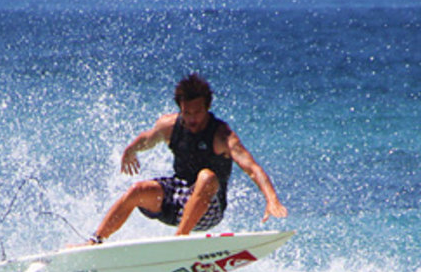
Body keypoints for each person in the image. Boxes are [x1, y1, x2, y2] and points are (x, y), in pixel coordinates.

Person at [89, 74, 287, 243]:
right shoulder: (169, 126)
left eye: (198, 112)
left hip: (208, 210)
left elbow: (252, 168)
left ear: (208, 107)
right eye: (187, 113)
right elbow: (147, 138)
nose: (192, 119)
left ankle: (179, 241)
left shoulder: (222, 136)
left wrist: (272, 200)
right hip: (177, 199)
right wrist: (131, 150)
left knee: (207, 177)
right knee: (137, 190)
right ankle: (95, 241)